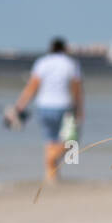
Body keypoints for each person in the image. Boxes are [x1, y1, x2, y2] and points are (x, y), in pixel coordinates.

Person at [6, 37, 84, 182]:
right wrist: (79, 109)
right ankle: (52, 165)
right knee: (72, 140)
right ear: (65, 49)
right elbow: (77, 89)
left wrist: (19, 106)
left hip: (43, 107)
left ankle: (52, 176)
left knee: (50, 140)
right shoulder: (71, 64)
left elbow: (32, 87)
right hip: (64, 107)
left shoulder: (42, 63)